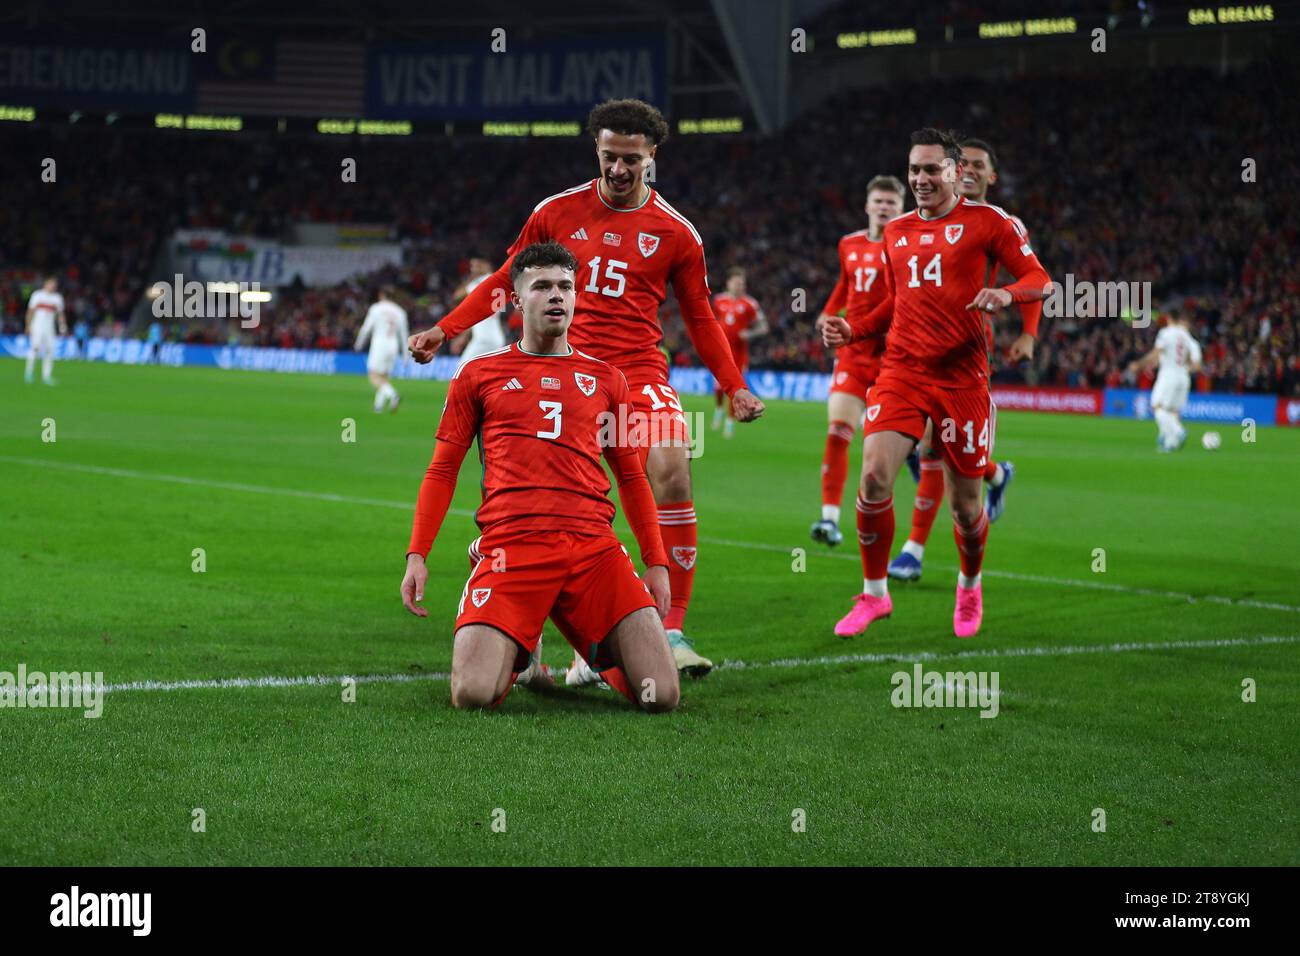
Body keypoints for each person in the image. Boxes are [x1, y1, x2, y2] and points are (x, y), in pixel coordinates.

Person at [406, 98, 765, 679]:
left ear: (653, 156)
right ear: (595, 150)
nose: (618, 170)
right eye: (608, 157)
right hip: (561, 371)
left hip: (637, 372)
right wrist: (446, 329)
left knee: (671, 465)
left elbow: (699, 317)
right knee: (546, 501)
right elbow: (506, 280)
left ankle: (670, 630)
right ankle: (511, 598)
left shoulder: (677, 234)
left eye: (631, 159)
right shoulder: (555, 212)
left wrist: (734, 385)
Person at [400, 241, 679, 712]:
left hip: (593, 551)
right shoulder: (477, 374)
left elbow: (632, 477)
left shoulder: (609, 380)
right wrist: (417, 555)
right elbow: (442, 470)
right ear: (516, 300)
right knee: (472, 695)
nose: (556, 296)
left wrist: (656, 562)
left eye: (565, 287)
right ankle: (521, 647)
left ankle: (589, 649)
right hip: (513, 547)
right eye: (542, 286)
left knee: (662, 696)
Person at [822, 128, 1051, 639]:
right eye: (915, 170)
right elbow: (896, 303)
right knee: (875, 477)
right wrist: (853, 328)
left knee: (966, 506)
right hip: (902, 371)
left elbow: (1040, 280)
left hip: (963, 379)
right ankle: (874, 595)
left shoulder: (989, 223)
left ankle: (970, 583)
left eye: (931, 169)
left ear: (955, 172)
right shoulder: (897, 233)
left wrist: (1006, 296)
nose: (922, 179)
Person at [888, 138, 1037, 581]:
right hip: (918, 350)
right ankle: (993, 475)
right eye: (963, 163)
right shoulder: (923, 222)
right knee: (934, 448)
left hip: (967, 353)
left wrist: (1028, 334)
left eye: (979, 165)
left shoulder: (1000, 223)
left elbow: (1029, 277)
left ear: (991, 176)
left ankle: (915, 548)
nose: (969, 170)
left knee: (935, 446)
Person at [810, 175, 904, 547]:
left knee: (898, 451)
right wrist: (828, 313)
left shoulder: (907, 247)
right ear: (868, 206)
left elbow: (898, 301)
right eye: (878, 202)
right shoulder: (848, 244)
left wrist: (855, 325)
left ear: (900, 209)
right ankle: (829, 519)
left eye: (891, 203)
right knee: (837, 431)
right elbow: (845, 287)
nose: (884, 208)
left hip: (893, 357)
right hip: (853, 355)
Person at [1128, 313, 1203, 451]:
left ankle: (1178, 430)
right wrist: (1186, 368)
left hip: (1169, 374)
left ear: (1169, 319)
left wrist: (1139, 365)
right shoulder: (1189, 339)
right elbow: (1197, 365)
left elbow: (1156, 353)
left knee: (1157, 406)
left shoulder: (1166, 333)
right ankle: (1170, 443)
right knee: (1172, 410)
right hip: (1183, 376)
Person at [710, 267, 768, 438]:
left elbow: (763, 326)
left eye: (742, 283)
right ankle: (719, 410)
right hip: (720, 352)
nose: (740, 286)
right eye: (737, 283)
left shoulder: (750, 303)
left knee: (734, 390)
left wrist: (749, 333)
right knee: (718, 387)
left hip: (739, 355)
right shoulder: (718, 301)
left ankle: (729, 422)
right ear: (728, 283)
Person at [354, 286, 409, 413]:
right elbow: (404, 334)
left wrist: (358, 343)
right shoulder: (400, 312)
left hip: (379, 344)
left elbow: (366, 328)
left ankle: (393, 395)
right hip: (393, 345)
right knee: (384, 377)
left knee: (374, 376)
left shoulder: (376, 308)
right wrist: (406, 355)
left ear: (381, 295)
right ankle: (378, 407)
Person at [451, 256, 509, 362]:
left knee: (463, 367)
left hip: (483, 338)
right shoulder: (499, 281)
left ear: (487, 265)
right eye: (472, 266)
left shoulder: (479, 282)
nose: (474, 269)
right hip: (497, 337)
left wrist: (470, 278)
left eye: (477, 266)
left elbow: (457, 295)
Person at [25, 276, 66, 385]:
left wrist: (62, 326)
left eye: (54, 284)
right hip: (37, 326)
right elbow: (30, 312)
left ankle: (46, 376)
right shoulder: (37, 295)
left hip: (50, 329)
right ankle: (29, 373)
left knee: (50, 351)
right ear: (46, 284)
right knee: (35, 348)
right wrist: (28, 325)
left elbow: (60, 314)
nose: (53, 286)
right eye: (51, 283)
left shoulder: (57, 298)